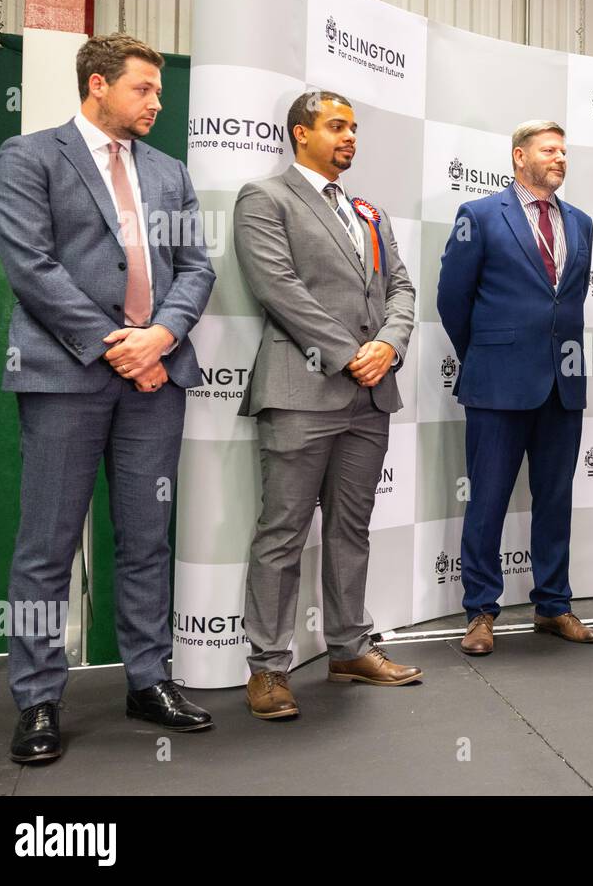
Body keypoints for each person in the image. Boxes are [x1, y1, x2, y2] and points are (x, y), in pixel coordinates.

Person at [0, 34, 216, 762]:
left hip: (157, 379)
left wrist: (162, 337)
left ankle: (148, 678)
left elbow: (196, 269)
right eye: (144, 88)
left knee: (147, 539)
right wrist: (122, 345)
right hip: (66, 377)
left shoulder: (170, 172)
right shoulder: (28, 157)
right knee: (46, 546)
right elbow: (31, 266)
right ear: (97, 85)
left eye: (158, 89)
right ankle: (37, 697)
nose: (157, 100)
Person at [234, 89, 420, 720]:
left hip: (369, 397)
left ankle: (347, 647)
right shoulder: (265, 198)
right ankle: (267, 668)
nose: (350, 138)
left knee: (351, 529)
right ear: (299, 133)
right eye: (336, 126)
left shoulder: (369, 211)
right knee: (282, 534)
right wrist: (351, 353)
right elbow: (277, 288)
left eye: (354, 128)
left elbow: (402, 287)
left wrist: (387, 347)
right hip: (300, 393)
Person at [437, 120, 593, 655]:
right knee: (487, 500)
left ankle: (553, 605)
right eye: (548, 150)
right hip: (496, 383)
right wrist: (485, 356)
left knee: (556, 499)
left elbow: (566, 303)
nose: (559, 158)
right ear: (518, 156)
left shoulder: (581, 223)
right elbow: (452, 300)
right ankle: (481, 611)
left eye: (563, 151)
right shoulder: (480, 216)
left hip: (563, 383)